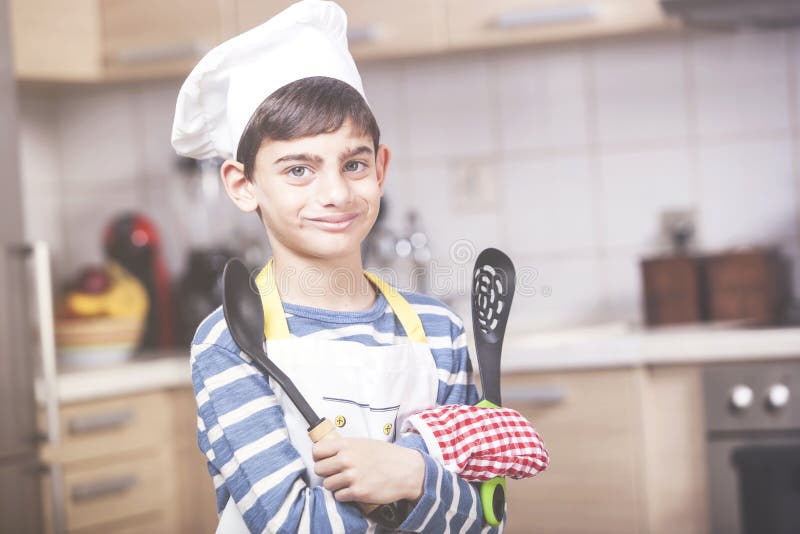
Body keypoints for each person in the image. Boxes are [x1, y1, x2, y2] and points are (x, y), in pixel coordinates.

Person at [172, 1, 506, 531]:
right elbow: (290, 523)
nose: (335, 193)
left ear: (381, 167)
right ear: (242, 184)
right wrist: (425, 483)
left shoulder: (441, 333)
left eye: (354, 164)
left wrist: (411, 475)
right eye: (298, 169)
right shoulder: (231, 343)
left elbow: (485, 520)